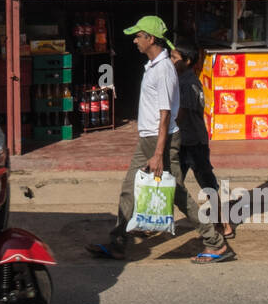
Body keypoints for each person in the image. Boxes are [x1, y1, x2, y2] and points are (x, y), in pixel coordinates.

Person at [87, 16, 235, 264]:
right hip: (149, 138)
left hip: (161, 140)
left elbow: (166, 114)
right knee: (129, 189)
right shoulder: (154, 66)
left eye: (138, 36)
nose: (134, 41)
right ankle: (118, 243)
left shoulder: (165, 69)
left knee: (177, 194)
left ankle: (216, 243)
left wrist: (158, 153)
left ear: (150, 38)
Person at [170, 39, 233, 240]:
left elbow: (181, 114)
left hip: (193, 142)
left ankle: (222, 223)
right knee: (171, 181)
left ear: (187, 61)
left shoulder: (187, 83)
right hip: (184, 140)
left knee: (206, 183)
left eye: (174, 58)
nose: (170, 61)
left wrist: (164, 125)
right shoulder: (185, 80)